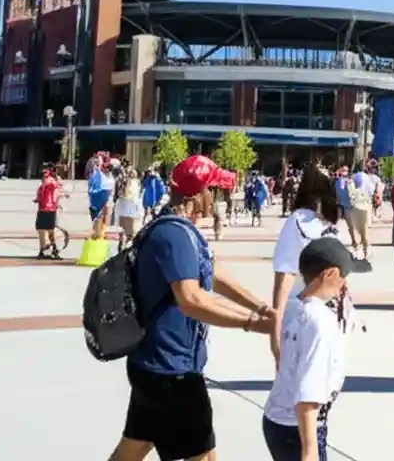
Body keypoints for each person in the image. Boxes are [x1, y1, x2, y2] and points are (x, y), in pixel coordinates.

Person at [109, 155, 276, 461]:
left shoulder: (178, 229)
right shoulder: (173, 235)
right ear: (197, 195)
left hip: (155, 364)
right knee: (203, 456)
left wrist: (262, 308)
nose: (218, 197)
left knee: (133, 448)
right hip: (172, 371)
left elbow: (214, 274)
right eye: (214, 189)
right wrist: (253, 323)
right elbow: (191, 299)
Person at [262, 237, 353, 461]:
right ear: (330, 274)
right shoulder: (320, 323)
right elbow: (308, 390)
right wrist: (310, 450)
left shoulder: (296, 307)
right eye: (343, 277)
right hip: (299, 427)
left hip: (279, 419)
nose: (345, 284)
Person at [271, 166, 344, 369]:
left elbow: (283, 276)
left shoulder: (319, 223)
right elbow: (285, 275)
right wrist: (275, 328)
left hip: (322, 314)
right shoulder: (302, 222)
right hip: (304, 315)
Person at [32, 166, 64, 259]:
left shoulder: (48, 184)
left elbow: (56, 187)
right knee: (45, 231)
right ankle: (46, 250)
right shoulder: (44, 186)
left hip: (47, 210)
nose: (44, 177)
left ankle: (50, 249)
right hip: (47, 209)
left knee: (48, 231)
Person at [346, 165, 376, 260]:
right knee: (364, 230)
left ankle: (357, 249)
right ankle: (366, 250)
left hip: (355, 206)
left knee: (355, 229)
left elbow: (350, 193)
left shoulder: (353, 178)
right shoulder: (368, 178)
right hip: (366, 205)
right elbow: (372, 191)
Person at [115, 170, 146, 246]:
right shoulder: (135, 184)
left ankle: (121, 243)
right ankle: (126, 247)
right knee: (130, 234)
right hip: (130, 212)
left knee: (122, 231)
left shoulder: (124, 183)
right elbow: (136, 199)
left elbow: (119, 197)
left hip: (122, 211)